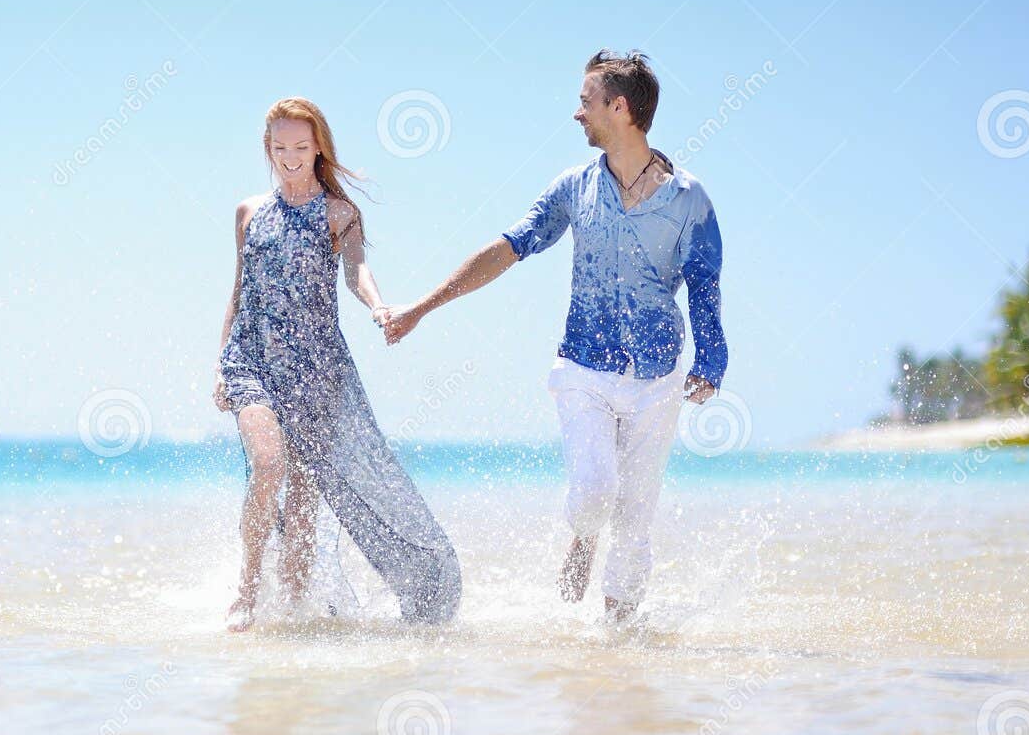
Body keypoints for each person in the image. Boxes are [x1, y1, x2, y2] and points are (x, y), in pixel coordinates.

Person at [383, 51, 727, 624]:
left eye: (586, 101)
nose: (577, 114)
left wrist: (712, 361)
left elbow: (705, 284)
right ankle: (583, 536)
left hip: (658, 375)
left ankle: (619, 646)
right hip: (584, 367)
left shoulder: (689, 199)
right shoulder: (575, 187)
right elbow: (509, 247)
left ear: (619, 108)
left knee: (637, 517)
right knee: (594, 494)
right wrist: (424, 306)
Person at [214, 97, 462, 632]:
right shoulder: (247, 213)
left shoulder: (339, 213)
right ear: (268, 148)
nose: (290, 157)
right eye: (279, 147)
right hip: (252, 359)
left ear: (318, 147)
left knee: (306, 495)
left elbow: (357, 273)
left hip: (318, 369)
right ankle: (246, 590)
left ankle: (296, 611)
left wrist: (378, 307)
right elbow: (240, 289)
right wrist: (220, 364)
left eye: (300, 147)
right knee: (268, 465)